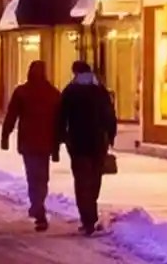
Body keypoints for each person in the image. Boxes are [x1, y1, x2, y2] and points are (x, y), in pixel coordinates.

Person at [57, 61, 117, 236]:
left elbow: (62, 118)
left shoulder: (70, 91)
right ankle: (91, 209)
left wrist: (61, 138)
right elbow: (110, 115)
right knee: (95, 178)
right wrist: (110, 136)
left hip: (78, 143)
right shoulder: (100, 91)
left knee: (81, 180)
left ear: (75, 72)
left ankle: (87, 218)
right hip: (98, 142)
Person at [2, 60, 61, 232]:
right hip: (46, 143)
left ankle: (37, 206)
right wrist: (57, 145)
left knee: (33, 176)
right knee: (42, 177)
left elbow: (11, 116)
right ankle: (38, 205)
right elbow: (59, 123)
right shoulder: (52, 93)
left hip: (28, 142)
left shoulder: (22, 92)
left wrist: (5, 135)